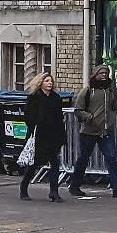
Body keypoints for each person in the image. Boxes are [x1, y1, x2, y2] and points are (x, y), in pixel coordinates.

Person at [68, 64, 117, 198]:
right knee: (83, 158)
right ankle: (75, 186)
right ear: (95, 75)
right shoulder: (87, 91)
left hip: (106, 132)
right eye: (101, 73)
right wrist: (89, 117)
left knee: (111, 158)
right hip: (89, 131)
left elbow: (113, 107)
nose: (104, 75)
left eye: (106, 73)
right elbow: (77, 110)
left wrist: (111, 121)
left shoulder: (110, 91)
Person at [20, 72, 66, 202]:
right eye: (47, 81)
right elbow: (28, 116)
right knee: (34, 164)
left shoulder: (56, 98)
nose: (49, 83)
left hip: (52, 135)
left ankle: (54, 191)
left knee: (55, 164)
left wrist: (61, 136)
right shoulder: (34, 97)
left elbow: (59, 118)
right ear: (40, 83)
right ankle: (24, 187)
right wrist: (35, 127)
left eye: (51, 81)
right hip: (39, 135)